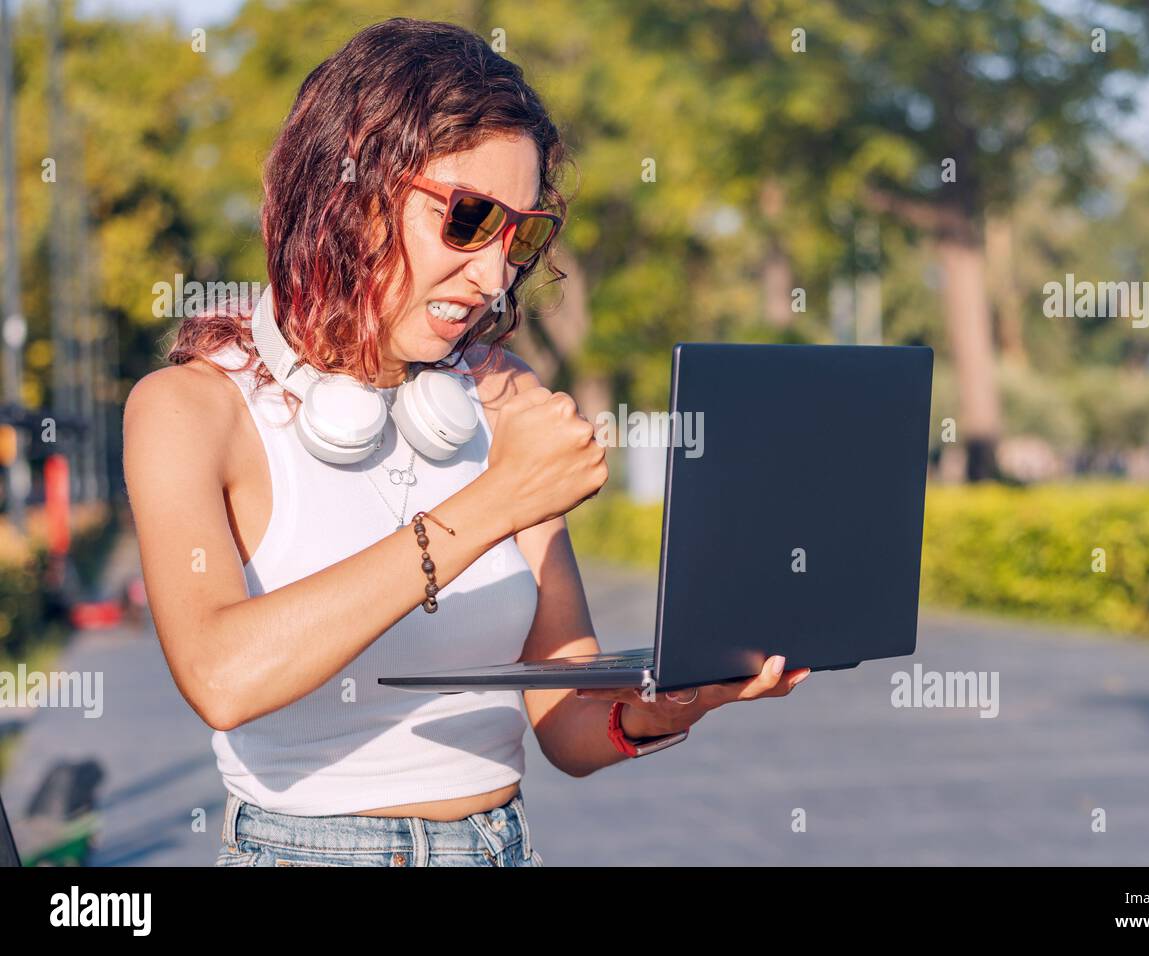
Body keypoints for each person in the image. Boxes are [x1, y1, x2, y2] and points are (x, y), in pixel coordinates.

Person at [122, 17, 810, 868]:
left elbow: (566, 720)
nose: (494, 277)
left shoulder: (504, 397)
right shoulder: (189, 411)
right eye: (469, 218)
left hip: (502, 846)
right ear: (349, 191)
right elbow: (222, 679)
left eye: (518, 234)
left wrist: (666, 710)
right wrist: (490, 504)